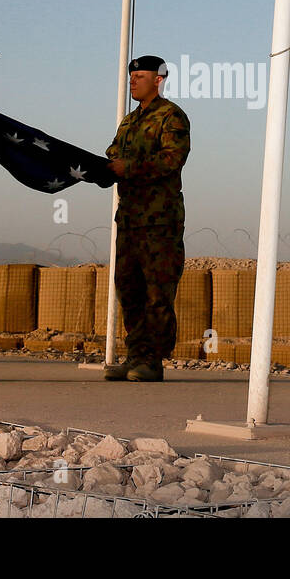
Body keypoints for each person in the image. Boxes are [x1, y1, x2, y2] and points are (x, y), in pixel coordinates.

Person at [103, 56, 191, 383]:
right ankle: (135, 354)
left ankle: (153, 359)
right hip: (129, 217)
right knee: (128, 287)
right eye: (131, 76)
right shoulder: (128, 122)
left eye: (140, 76)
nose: (133, 82)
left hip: (160, 219)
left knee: (158, 290)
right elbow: (113, 153)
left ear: (158, 80)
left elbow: (172, 159)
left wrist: (131, 168)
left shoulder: (172, 117)